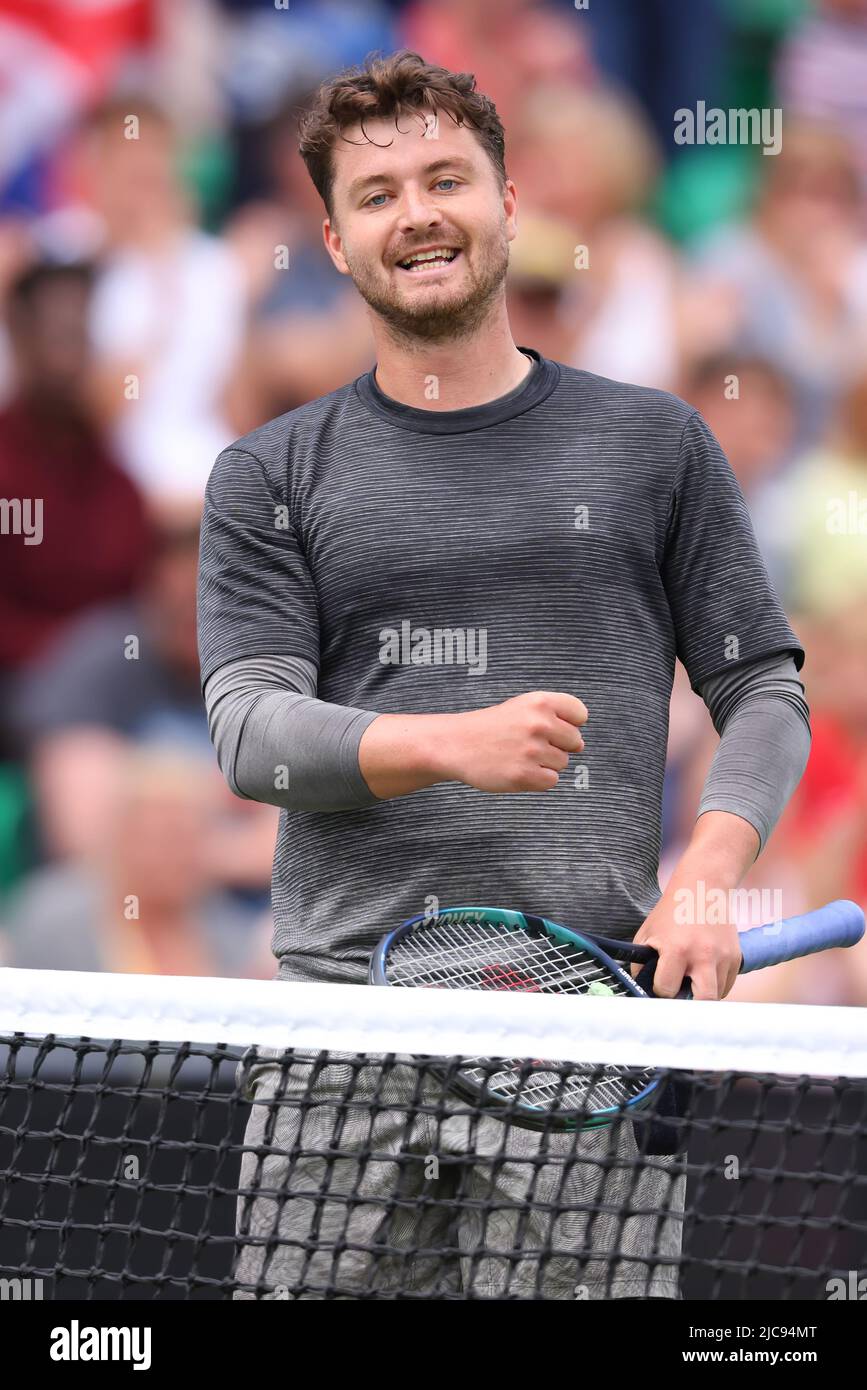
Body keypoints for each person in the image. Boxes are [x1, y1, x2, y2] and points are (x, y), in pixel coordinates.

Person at [197, 51, 811, 1299]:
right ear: (332, 238)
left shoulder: (657, 444)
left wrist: (708, 874)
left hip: (581, 1031)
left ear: (509, 203)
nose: (417, 214)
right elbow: (248, 732)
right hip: (341, 1032)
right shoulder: (266, 475)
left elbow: (766, 692)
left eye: (446, 179)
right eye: (376, 196)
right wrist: (441, 740)